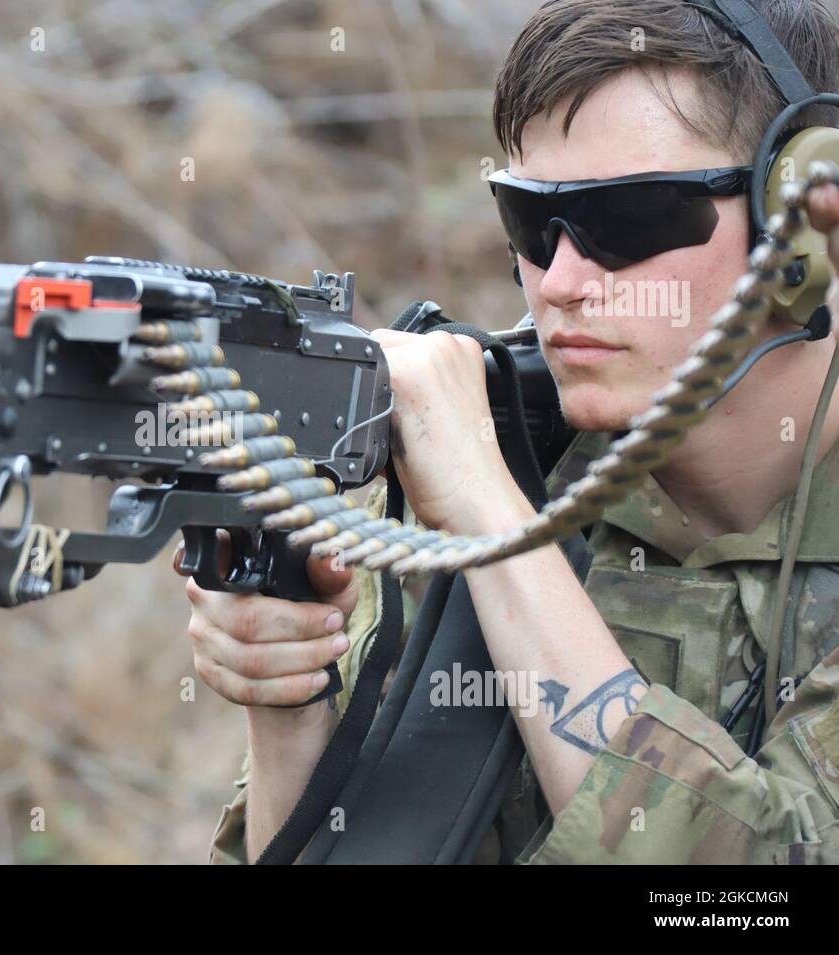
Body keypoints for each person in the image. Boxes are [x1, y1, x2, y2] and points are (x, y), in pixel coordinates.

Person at [188, 0, 839, 864]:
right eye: (532, 221)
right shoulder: (497, 455)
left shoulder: (481, 485)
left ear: (806, 215)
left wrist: (496, 526)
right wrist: (293, 706)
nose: (562, 281)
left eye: (630, 220)